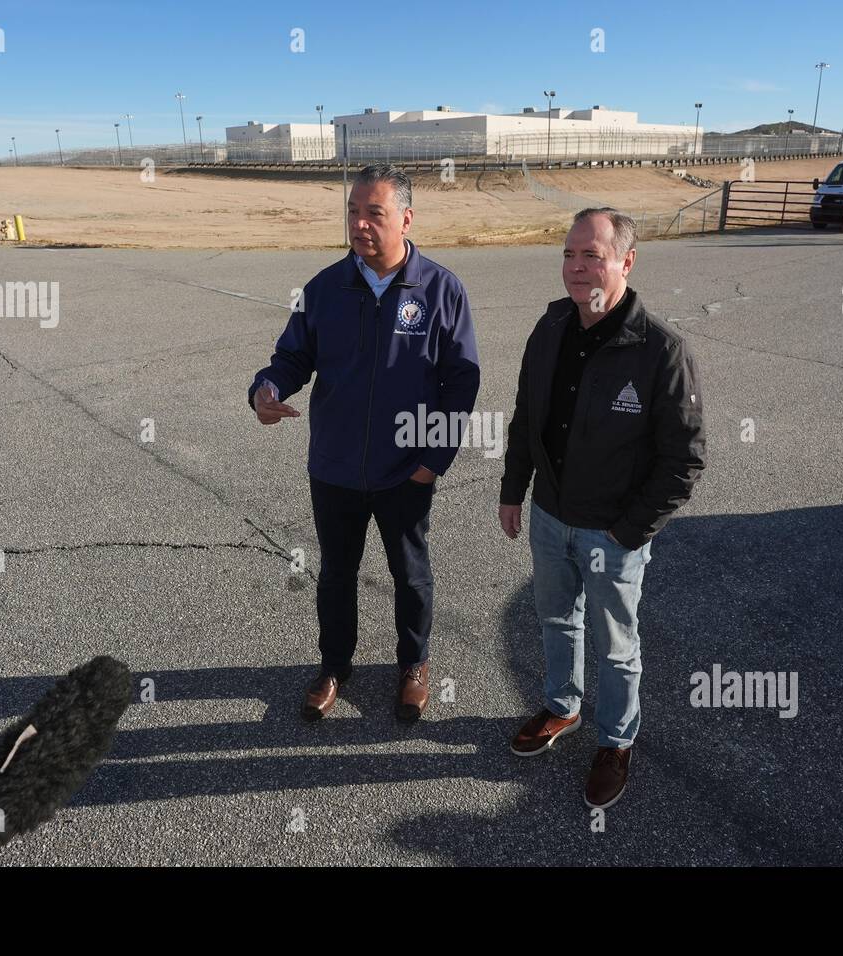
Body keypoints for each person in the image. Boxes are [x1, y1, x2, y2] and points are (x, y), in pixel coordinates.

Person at [249, 163, 481, 724]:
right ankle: (333, 667)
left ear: (405, 217)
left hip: (407, 468)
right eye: (353, 212)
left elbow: (462, 379)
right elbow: (293, 356)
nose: (359, 224)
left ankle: (413, 665)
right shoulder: (324, 288)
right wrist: (265, 387)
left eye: (373, 213)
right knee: (336, 573)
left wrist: (434, 460)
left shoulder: (441, 289)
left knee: (411, 573)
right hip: (334, 467)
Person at [499, 207, 706, 810]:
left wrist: (628, 531)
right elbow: (525, 418)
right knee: (556, 620)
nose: (577, 267)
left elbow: (684, 460)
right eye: (569, 253)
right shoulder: (551, 327)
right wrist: (515, 490)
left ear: (625, 261)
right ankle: (562, 708)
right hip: (549, 515)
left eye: (592, 255)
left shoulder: (661, 350)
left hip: (612, 532)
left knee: (617, 644)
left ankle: (616, 740)